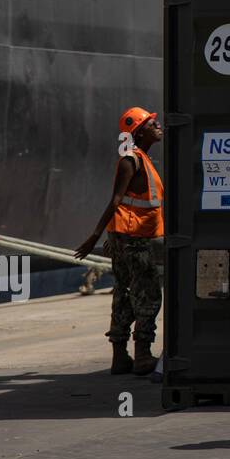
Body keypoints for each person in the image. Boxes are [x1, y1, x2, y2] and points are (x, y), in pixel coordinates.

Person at [74, 108, 164, 376]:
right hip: (135, 241)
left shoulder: (140, 160)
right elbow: (115, 201)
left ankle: (120, 356)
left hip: (127, 238)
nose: (158, 125)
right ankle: (143, 355)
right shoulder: (131, 161)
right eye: (151, 123)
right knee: (147, 295)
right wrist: (94, 237)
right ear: (139, 132)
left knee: (124, 294)